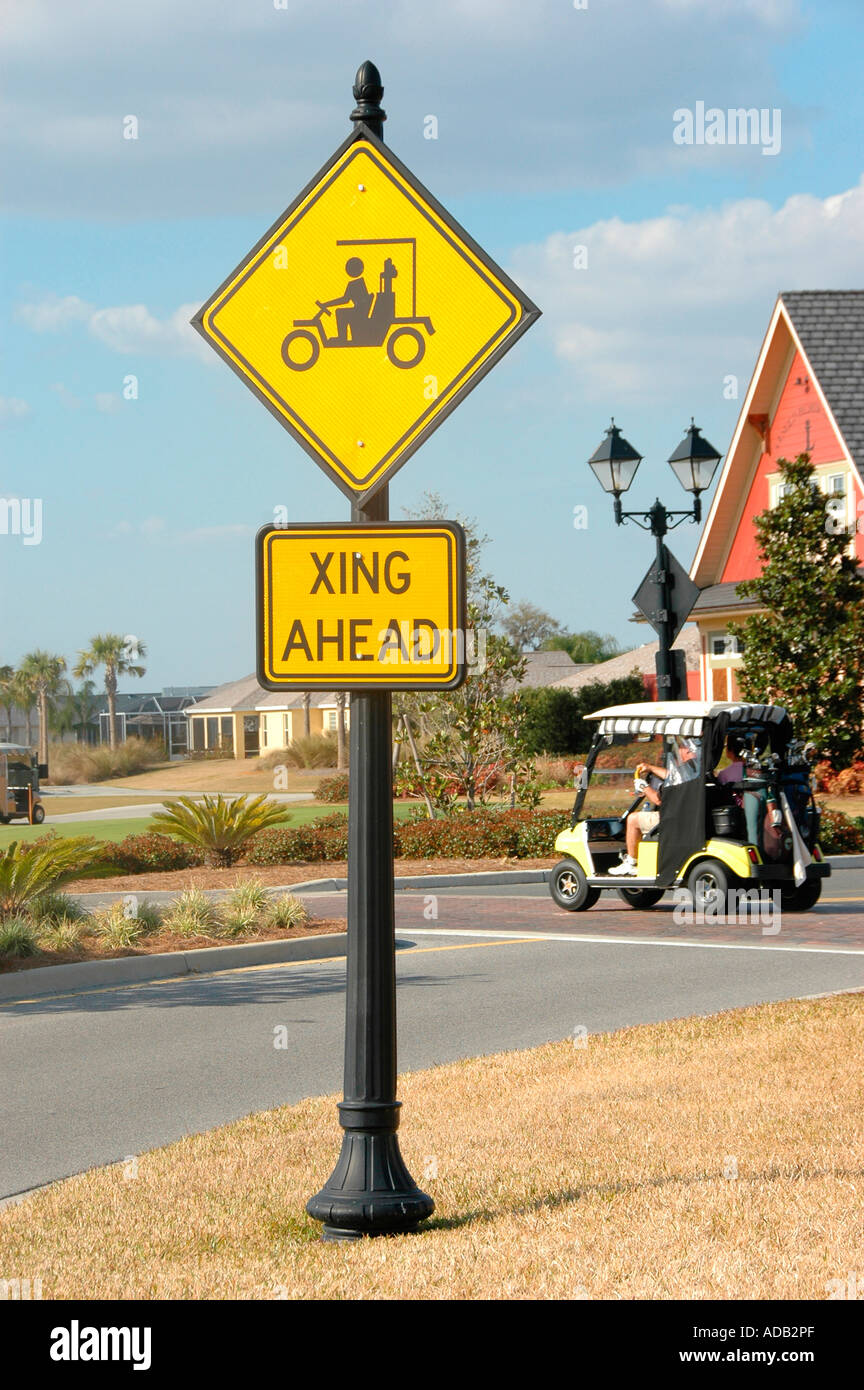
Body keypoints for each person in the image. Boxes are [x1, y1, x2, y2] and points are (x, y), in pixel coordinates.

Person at [609, 737, 700, 876]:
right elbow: (670, 775)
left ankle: (631, 862)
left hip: (673, 818)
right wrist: (650, 767)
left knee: (633, 819)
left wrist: (644, 787)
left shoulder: (685, 773)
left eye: (682, 748)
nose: (680, 750)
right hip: (688, 816)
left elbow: (659, 800)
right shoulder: (695, 770)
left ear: (689, 751)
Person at [321, 257, 374, 344]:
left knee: (340, 312)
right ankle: (342, 337)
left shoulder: (355, 284)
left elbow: (345, 300)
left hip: (359, 312)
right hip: (360, 311)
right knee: (342, 312)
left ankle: (342, 338)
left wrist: (326, 304)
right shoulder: (359, 282)